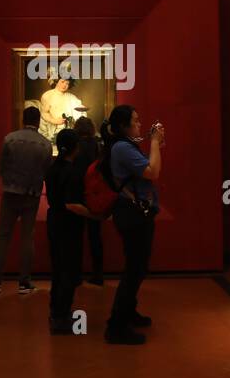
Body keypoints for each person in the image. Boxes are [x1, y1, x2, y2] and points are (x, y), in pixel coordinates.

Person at [101, 105, 165, 345]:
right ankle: (116, 326)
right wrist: (155, 143)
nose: (140, 125)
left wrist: (155, 144)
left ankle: (128, 313)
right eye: (136, 121)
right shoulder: (122, 148)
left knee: (136, 267)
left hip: (133, 213)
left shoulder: (123, 146)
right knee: (134, 270)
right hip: (133, 214)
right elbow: (153, 171)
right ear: (123, 126)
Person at [0, 106, 52, 294]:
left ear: (23, 119)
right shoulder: (45, 144)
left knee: (3, 236)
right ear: (39, 121)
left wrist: (10, 182)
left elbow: (2, 166)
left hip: (10, 191)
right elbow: (46, 170)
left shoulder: (10, 138)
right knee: (27, 237)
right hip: (31, 193)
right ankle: (24, 281)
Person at [44, 128, 91, 333]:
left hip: (54, 220)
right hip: (69, 224)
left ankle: (56, 312)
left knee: (58, 268)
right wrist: (94, 214)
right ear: (75, 148)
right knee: (68, 270)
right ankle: (61, 317)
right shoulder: (72, 172)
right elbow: (72, 204)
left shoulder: (53, 168)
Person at [73, 117, 104, 285]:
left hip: (78, 194)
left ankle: (76, 275)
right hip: (94, 194)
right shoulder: (97, 146)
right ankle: (98, 274)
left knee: (76, 236)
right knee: (95, 235)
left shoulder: (75, 146)